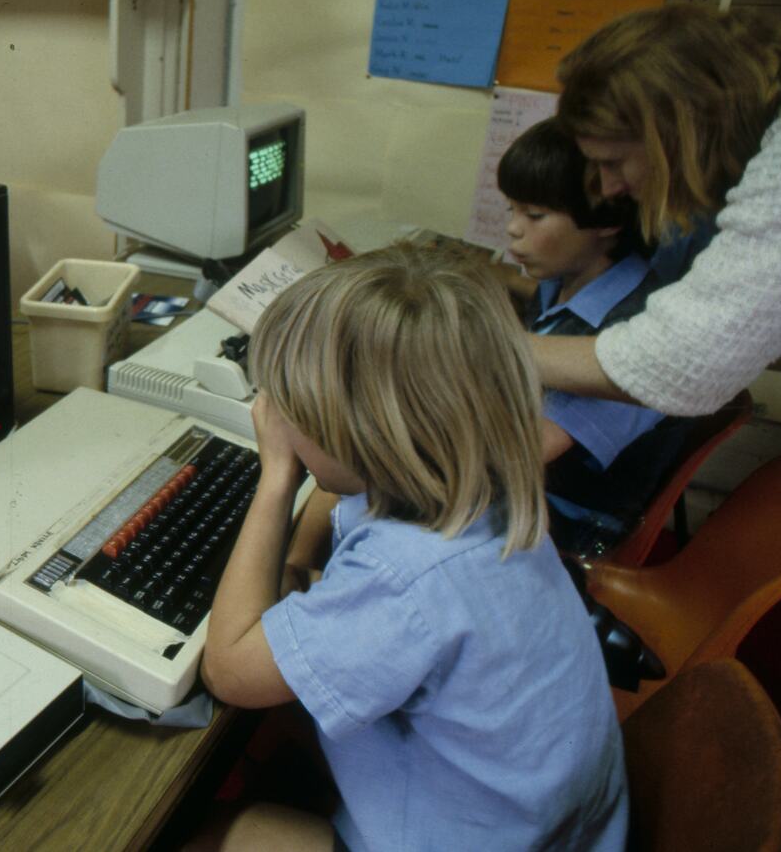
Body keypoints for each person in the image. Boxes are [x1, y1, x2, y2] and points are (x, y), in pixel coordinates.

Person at [199, 244, 627, 851]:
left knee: (219, 834)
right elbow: (354, 500)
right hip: (552, 830)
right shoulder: (486, 489)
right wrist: (303, 545)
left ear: (355, 432)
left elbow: (230, 671)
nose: (277, 421)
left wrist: (276, 478)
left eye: (291, 409)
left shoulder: (402, 579)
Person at [536, 4, 781, 416]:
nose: (609, 188)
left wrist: (484, 350)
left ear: (680, 134)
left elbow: (684, 366)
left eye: (614, 162)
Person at [499, 117, 687, 559]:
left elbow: (517, 454)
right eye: (511, 210)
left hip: (572, 523)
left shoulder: (633, 333)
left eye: (534, 214)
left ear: (605, 219)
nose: (513, 228)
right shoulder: (565, 281)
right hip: (536, 485)